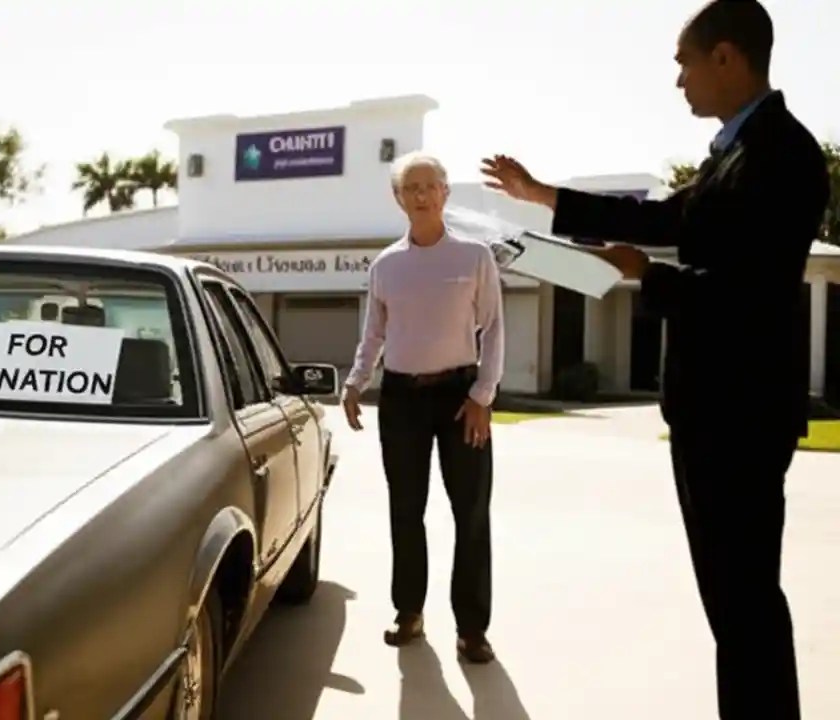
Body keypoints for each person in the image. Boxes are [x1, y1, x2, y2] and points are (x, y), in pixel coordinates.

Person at [480, 1, 830, 717]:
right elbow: (660, 219)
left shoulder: (782, 153)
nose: (678, 81)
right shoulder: (735, 150)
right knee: (733, 605)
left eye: (684, 63)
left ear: (727, 58)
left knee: (745, 603)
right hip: (712, 413)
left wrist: (649, 273)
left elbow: (755, 293)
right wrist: (542, 195)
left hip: (741, 416)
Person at [342, 151, 505, 663]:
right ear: (398, 198)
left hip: (461, 400)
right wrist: (354, 382)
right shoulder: (386, 265)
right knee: (405, 510)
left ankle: (472, 629)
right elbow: (374, 334)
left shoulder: (474, 257)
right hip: (402, 400)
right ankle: (408, 612)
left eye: (430, 185)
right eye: (410, 187)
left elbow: (495, 328)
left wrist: (483, 395)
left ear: (445, 193)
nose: (421, 194)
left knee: (471, 513)